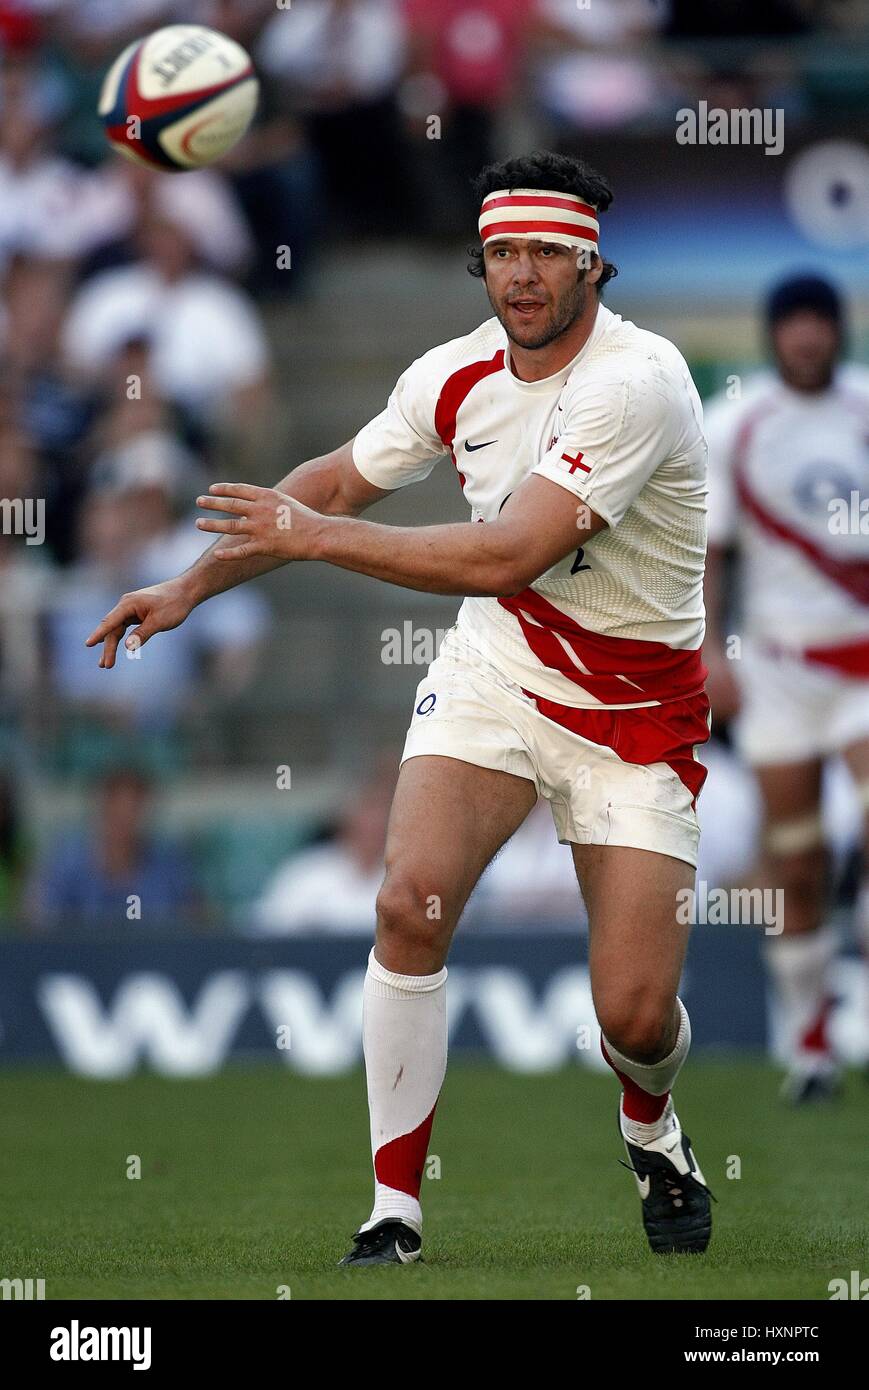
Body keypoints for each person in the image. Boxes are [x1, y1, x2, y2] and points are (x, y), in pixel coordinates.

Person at [87, 150, 713, 1264]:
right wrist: (188, 584)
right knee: (406, 905)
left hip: (635, 714)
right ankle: (394, 1212)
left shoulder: (637, 381)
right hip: (498, 674)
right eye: (501, 253)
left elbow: (508, 549)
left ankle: (651, 1125)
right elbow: (325, 484)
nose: (519, 275)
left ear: (592, 264)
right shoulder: (454, 371)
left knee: (630, 1015)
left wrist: (315, 539)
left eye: (544, 254)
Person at [703, 274, 869, 1104]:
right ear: (773, 335)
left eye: (819, 323)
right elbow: (708, 550)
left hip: (862, 657)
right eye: (792, 324)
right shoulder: (733, 425)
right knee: (795, 861)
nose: (806, 337)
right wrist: (707, 649)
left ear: (837, 332)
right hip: (777, 668)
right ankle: (810, 1043)